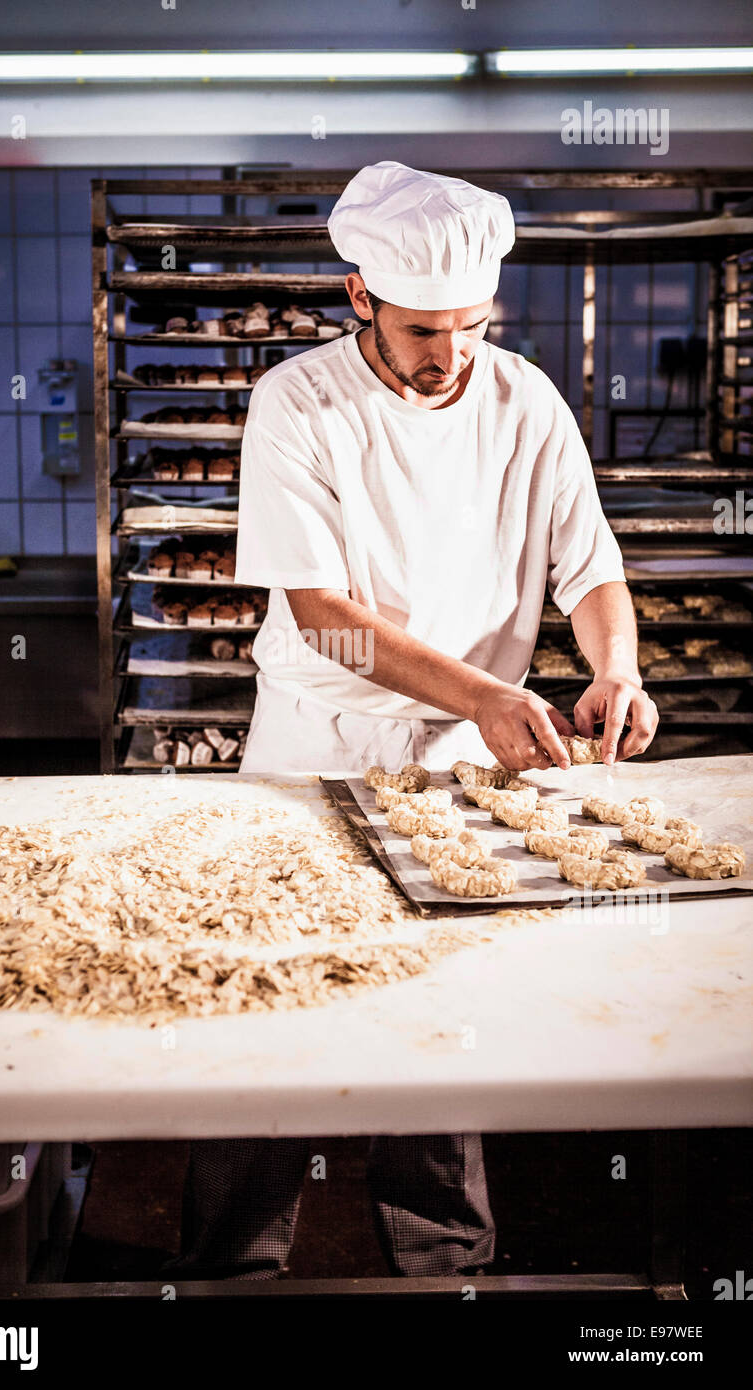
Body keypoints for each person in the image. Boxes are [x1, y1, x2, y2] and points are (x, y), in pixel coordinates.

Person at [170, 161, 659, 1281]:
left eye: (469, 327)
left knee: (442, 1032)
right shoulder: (297, 402)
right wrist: (486, 692)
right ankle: (224, 1270)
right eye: (421, 332)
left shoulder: (520, 400)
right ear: (359, 299)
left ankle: (448, 1272)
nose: (448, 358)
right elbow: (323, 622)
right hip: (312, 757)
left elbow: (588, 568)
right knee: (275, 1022)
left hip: (457, 773)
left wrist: (615, 666)